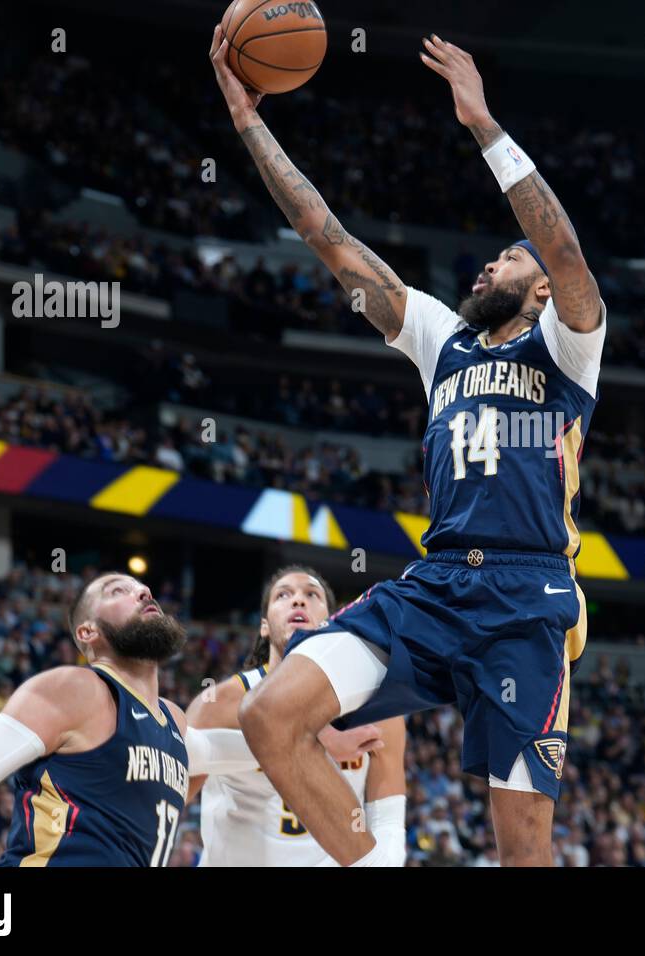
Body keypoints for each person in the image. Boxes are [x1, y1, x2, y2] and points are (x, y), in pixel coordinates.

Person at [209, 27, 605, 866]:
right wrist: (249, 122)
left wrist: (484, 128)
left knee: (523, 852)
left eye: (501, 259)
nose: (481, 269)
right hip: (432, 583)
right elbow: (331, 239)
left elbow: (565, 250)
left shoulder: (568, 347)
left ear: (535, 287)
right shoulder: (442, 340)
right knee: (268, 716)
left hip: (529, 597)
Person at [0, 573, 256, 866]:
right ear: (88, 632)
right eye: (118, 590)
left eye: (142, 587)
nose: (144, 590)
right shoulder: (78, 689)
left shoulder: (173, 724)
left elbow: (253, 749)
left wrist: (304, 736)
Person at [187, 566, 406, 866]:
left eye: (311, 594)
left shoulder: (376, 708)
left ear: (332, 621)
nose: (298, 601)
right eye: (283, 595)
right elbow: (167, 797)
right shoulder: (219, 704)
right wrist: (312, 744)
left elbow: (388, 823)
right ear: (264, 626)